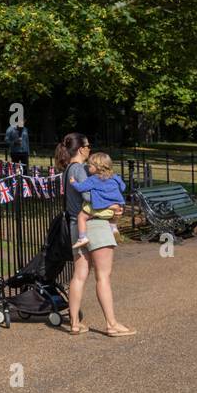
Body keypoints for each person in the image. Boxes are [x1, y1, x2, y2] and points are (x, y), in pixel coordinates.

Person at [56, 133, 134, 337]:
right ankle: (111, 324)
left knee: (79, 276)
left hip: (77, 227)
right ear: (81, 149)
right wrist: (113, 208)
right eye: (88, 146)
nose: (90, 149)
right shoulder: (80, 169)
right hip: (95, 226)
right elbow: (91, 197)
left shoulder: (67, 171)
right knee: (103, 276)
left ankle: (74, 323)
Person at [71, 152, 126, 249]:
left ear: (98, 167)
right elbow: (123, 187)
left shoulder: (94, 179)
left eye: (90, 166)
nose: (88, 168)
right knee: (114, 216)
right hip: (114, 210)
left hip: (99, 208)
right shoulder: (115, 177)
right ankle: (113, 227)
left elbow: (81, 188)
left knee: (81, 217)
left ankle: (82, 237)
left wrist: (73, 183)